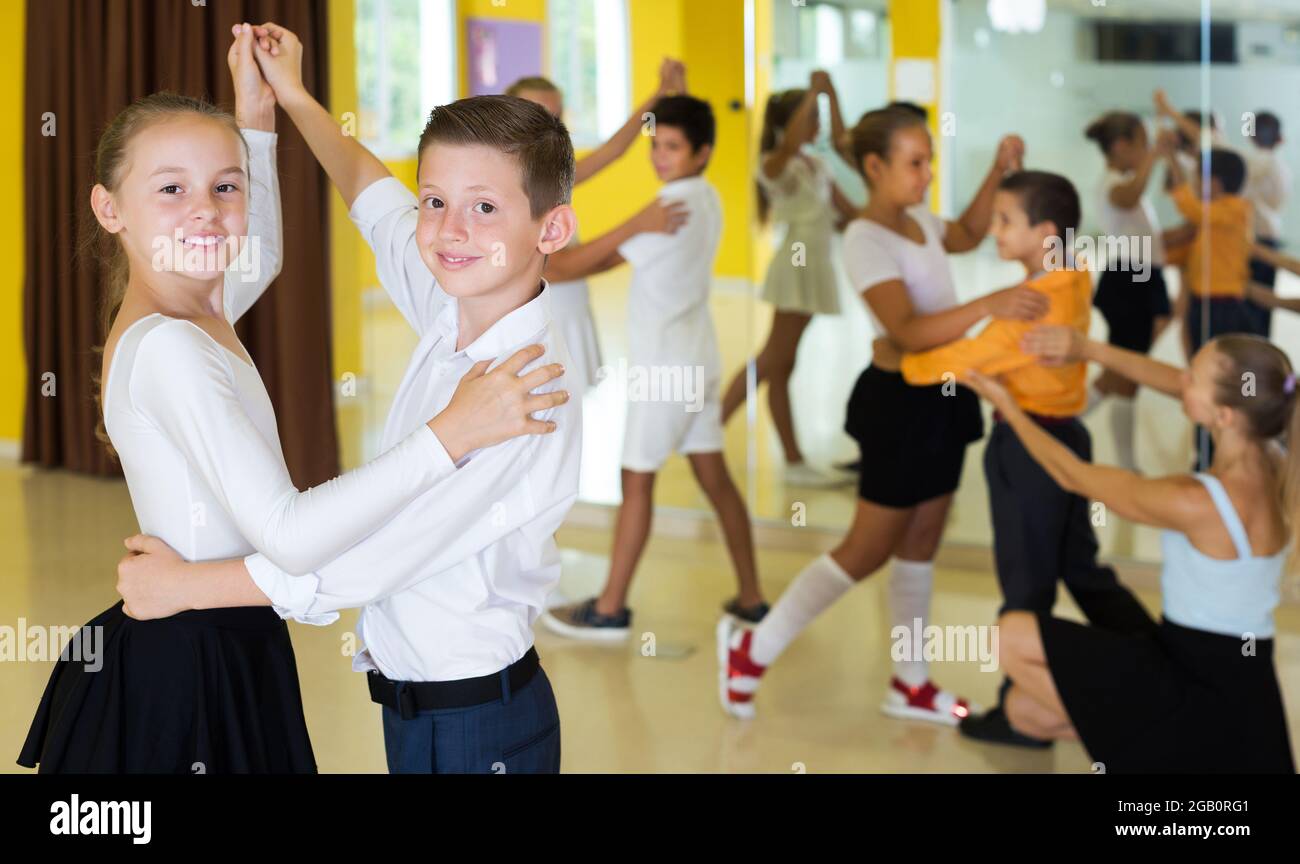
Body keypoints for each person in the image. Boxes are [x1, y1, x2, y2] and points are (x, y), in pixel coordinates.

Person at [108, 23, 580, 774]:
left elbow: (364, 559)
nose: (450, 230)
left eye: (484, 209)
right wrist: (290, 99)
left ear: (551, 226)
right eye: (436, 201)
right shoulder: (457, 297)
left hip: (479, 719)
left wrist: (189, 586)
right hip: (413, 706)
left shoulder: (521, 392)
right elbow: (373, 197)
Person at [967, 325, 1296, 772]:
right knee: (1026, 712)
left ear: (1222, 415)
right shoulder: (1276, 459)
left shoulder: (1195, 500)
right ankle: (1165, 744)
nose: (1178, 380)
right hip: (1236, 676)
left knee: (1008, 636)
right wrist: (1087, 349)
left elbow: (1070, 474)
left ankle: (1164, 756)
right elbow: (1170, 381)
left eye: (1190, 378)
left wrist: (1008, 406)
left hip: (1197, 683)